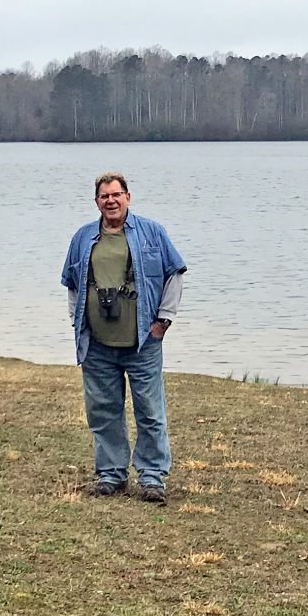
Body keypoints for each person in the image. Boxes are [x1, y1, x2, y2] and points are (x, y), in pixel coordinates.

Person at [60, 171, 187, 503]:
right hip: (97, 345)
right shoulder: (83, 237)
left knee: (149, 410)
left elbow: (175, 273)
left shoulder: (152, 233)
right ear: (97, 202)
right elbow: (72, 283)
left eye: (116, 194)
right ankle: (111, 474)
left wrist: (163, 321)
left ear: (128, 197)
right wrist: (77, 322)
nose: (111, 201)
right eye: (104, 196)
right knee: (103, 411)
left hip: (143, 341)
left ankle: (152, 477)